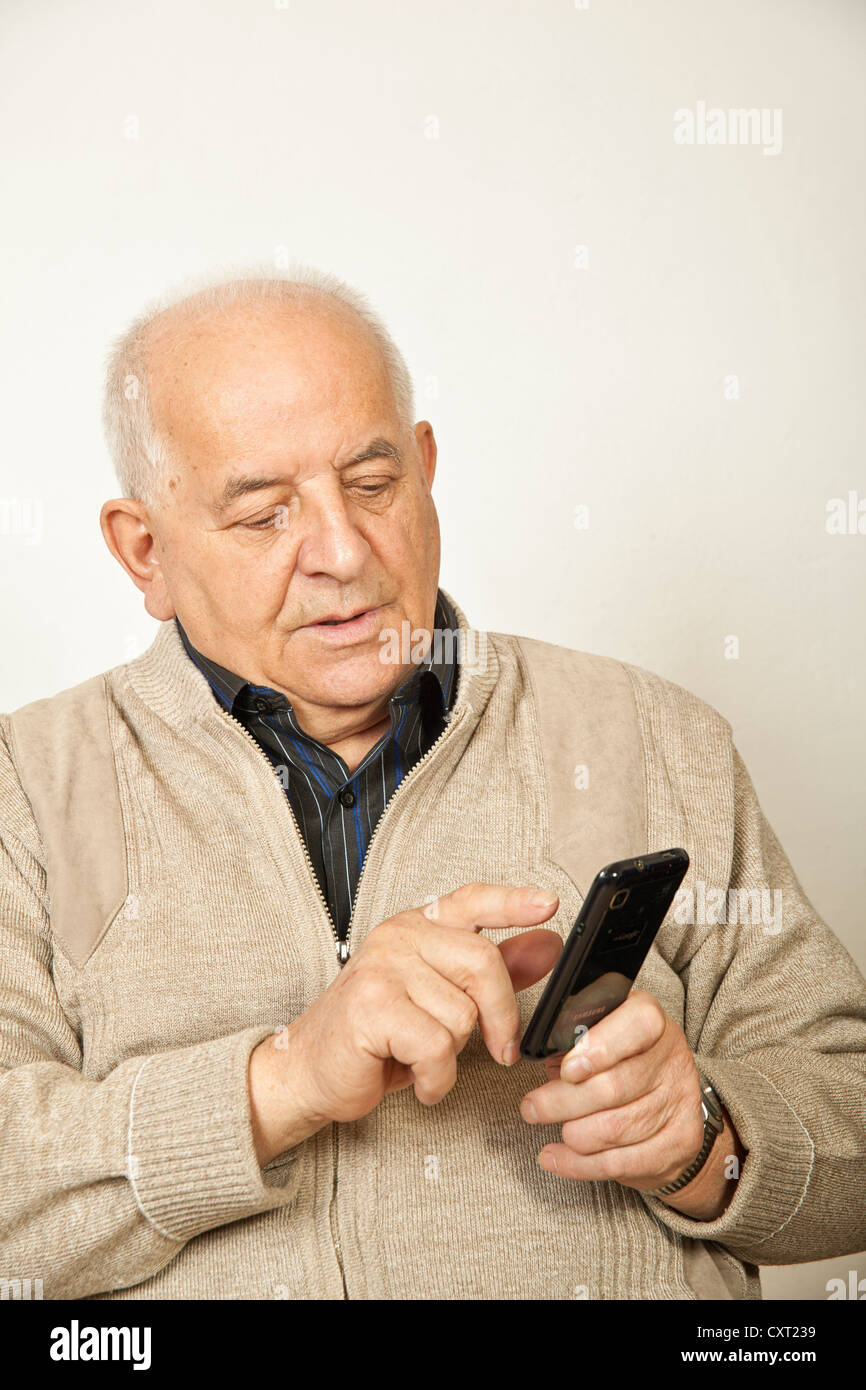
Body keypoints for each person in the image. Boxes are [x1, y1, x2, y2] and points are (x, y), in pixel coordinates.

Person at [1, 265, 864, 1301]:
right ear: (144, 551)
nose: (341, 550)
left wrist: (704, 1138)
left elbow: (847, 1132)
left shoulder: (648, 734)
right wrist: (280, 1078)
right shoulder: (26, 792)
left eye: (372, 485)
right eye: (265, 513)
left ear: (424, 468)